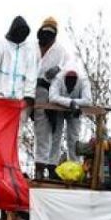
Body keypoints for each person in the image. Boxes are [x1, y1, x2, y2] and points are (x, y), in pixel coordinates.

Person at [33, 17, 70, 181]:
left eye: (51, 33)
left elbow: (69, 66)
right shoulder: (32, 48)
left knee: (56, 130)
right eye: (45, 32)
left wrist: (58, 69)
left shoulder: (60, 50)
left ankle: (52, 165)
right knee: (42, 131)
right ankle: (39, 166)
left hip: (55, 91)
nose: (47, 36)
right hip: (37, 90)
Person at [48, 66, 92, 166]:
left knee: (74, 138)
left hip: (75, 111)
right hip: (58, 109)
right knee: (56, 136)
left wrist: (73, 103)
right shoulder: (58, 78)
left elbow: (88, 101)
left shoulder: (84, 80)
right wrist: (70, 103)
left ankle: (75, 165)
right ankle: (51, 165)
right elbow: (52, 97)